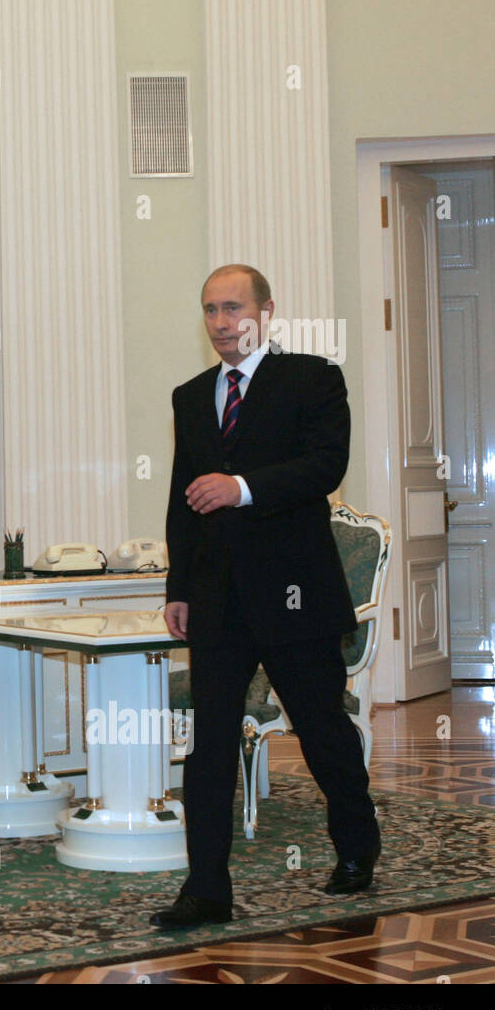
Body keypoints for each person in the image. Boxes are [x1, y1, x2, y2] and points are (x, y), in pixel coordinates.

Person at [154, 264, 381, 931]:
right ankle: (206, 889)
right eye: (210, 310)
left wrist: (242, 485)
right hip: (218, 602)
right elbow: (181, 501)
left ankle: (358, 848)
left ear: (265, 310)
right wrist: (179, 587)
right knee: (210, 748)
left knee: (323, 732)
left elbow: (324, 466)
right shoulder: (191, 394)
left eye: (233, 308)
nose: (222, 322)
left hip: (295, 594)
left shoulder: (313, 378)